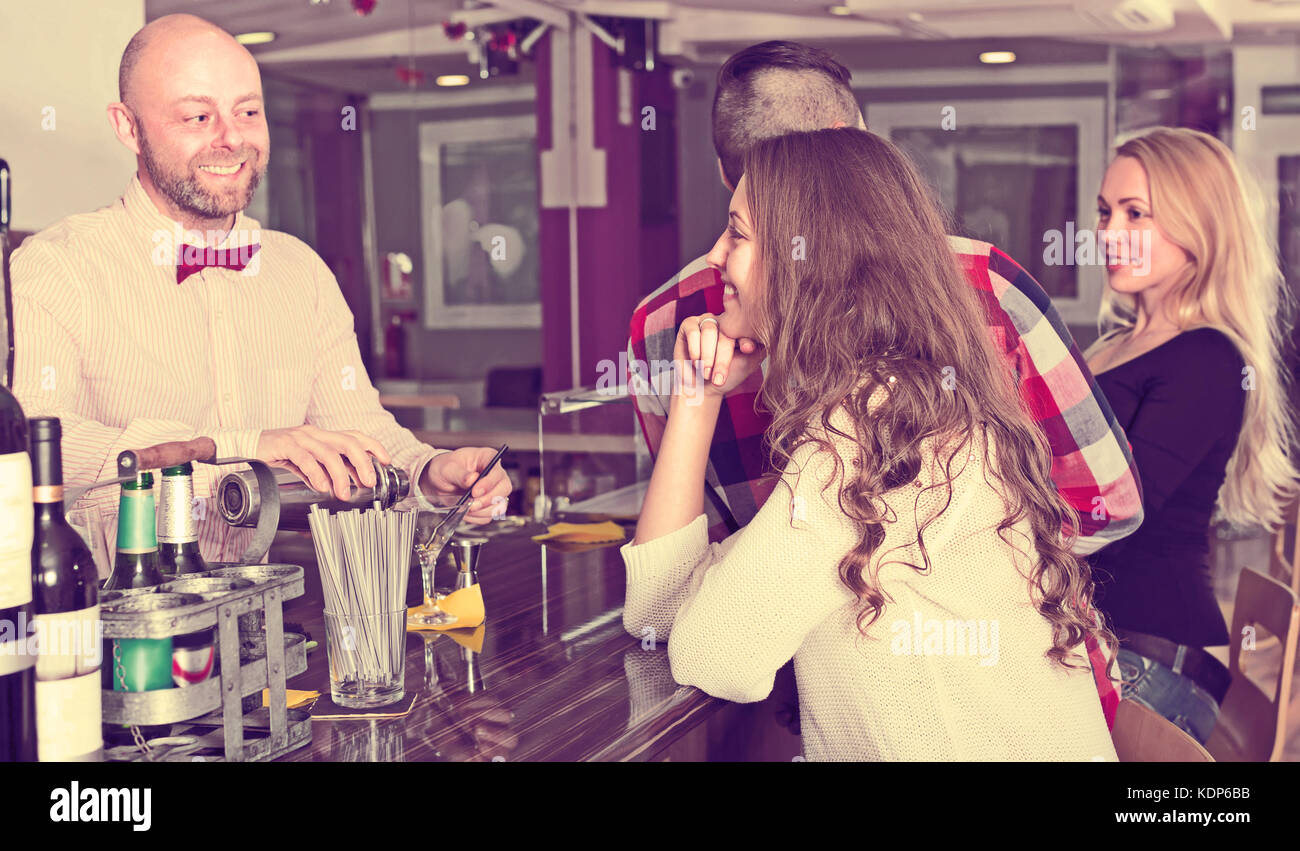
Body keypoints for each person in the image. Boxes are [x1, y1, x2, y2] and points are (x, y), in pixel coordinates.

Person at [626, 40, 1142, 723]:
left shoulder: (865, 429)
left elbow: (707, 644)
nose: (714, 258)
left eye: (737, 233)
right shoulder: (876, 399)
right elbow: (669, 616)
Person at [11, 14, 510, 564]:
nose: (230, 138)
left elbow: (356, 428)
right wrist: (240, 445)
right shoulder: (57, 265)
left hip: (272, 613)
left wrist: (426, 473)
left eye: (247, 111)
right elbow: (43, 444)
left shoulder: (300, 271)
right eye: (197, 116)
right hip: (112, 623)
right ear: (128, 126)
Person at [1084, 127, 1299, 743]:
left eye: (1136, 214)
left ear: (1197, 227)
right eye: (1105, 212)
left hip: (1152, 662)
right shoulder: (1113, 345)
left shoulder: (1205, 357)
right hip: (1108, 639)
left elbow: (1117, 519)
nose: (1108, 232)